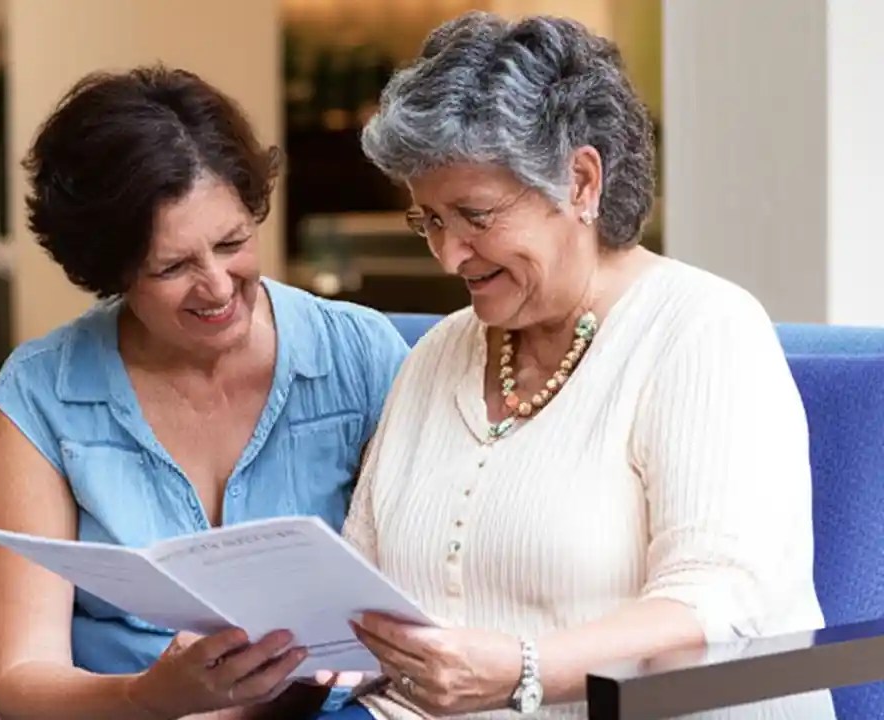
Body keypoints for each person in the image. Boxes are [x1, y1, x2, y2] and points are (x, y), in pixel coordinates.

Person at [327, 12, 836, 719]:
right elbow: (365, 588)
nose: (448, 255)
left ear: (582, 181)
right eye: (430, 221)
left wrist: (524, 671)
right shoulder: (441, 354)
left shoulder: (702, 333)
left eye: (475, 215)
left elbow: (717, 603)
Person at [0, 65, 410, 720]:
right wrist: (152, 697)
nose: (216, 285)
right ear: (111, 272)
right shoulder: (43, 393)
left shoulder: (361, 357)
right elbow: (21, 673)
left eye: (233, 243)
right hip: (90, 695)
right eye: (173, 266)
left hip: (304, 694)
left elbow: (423, 591)